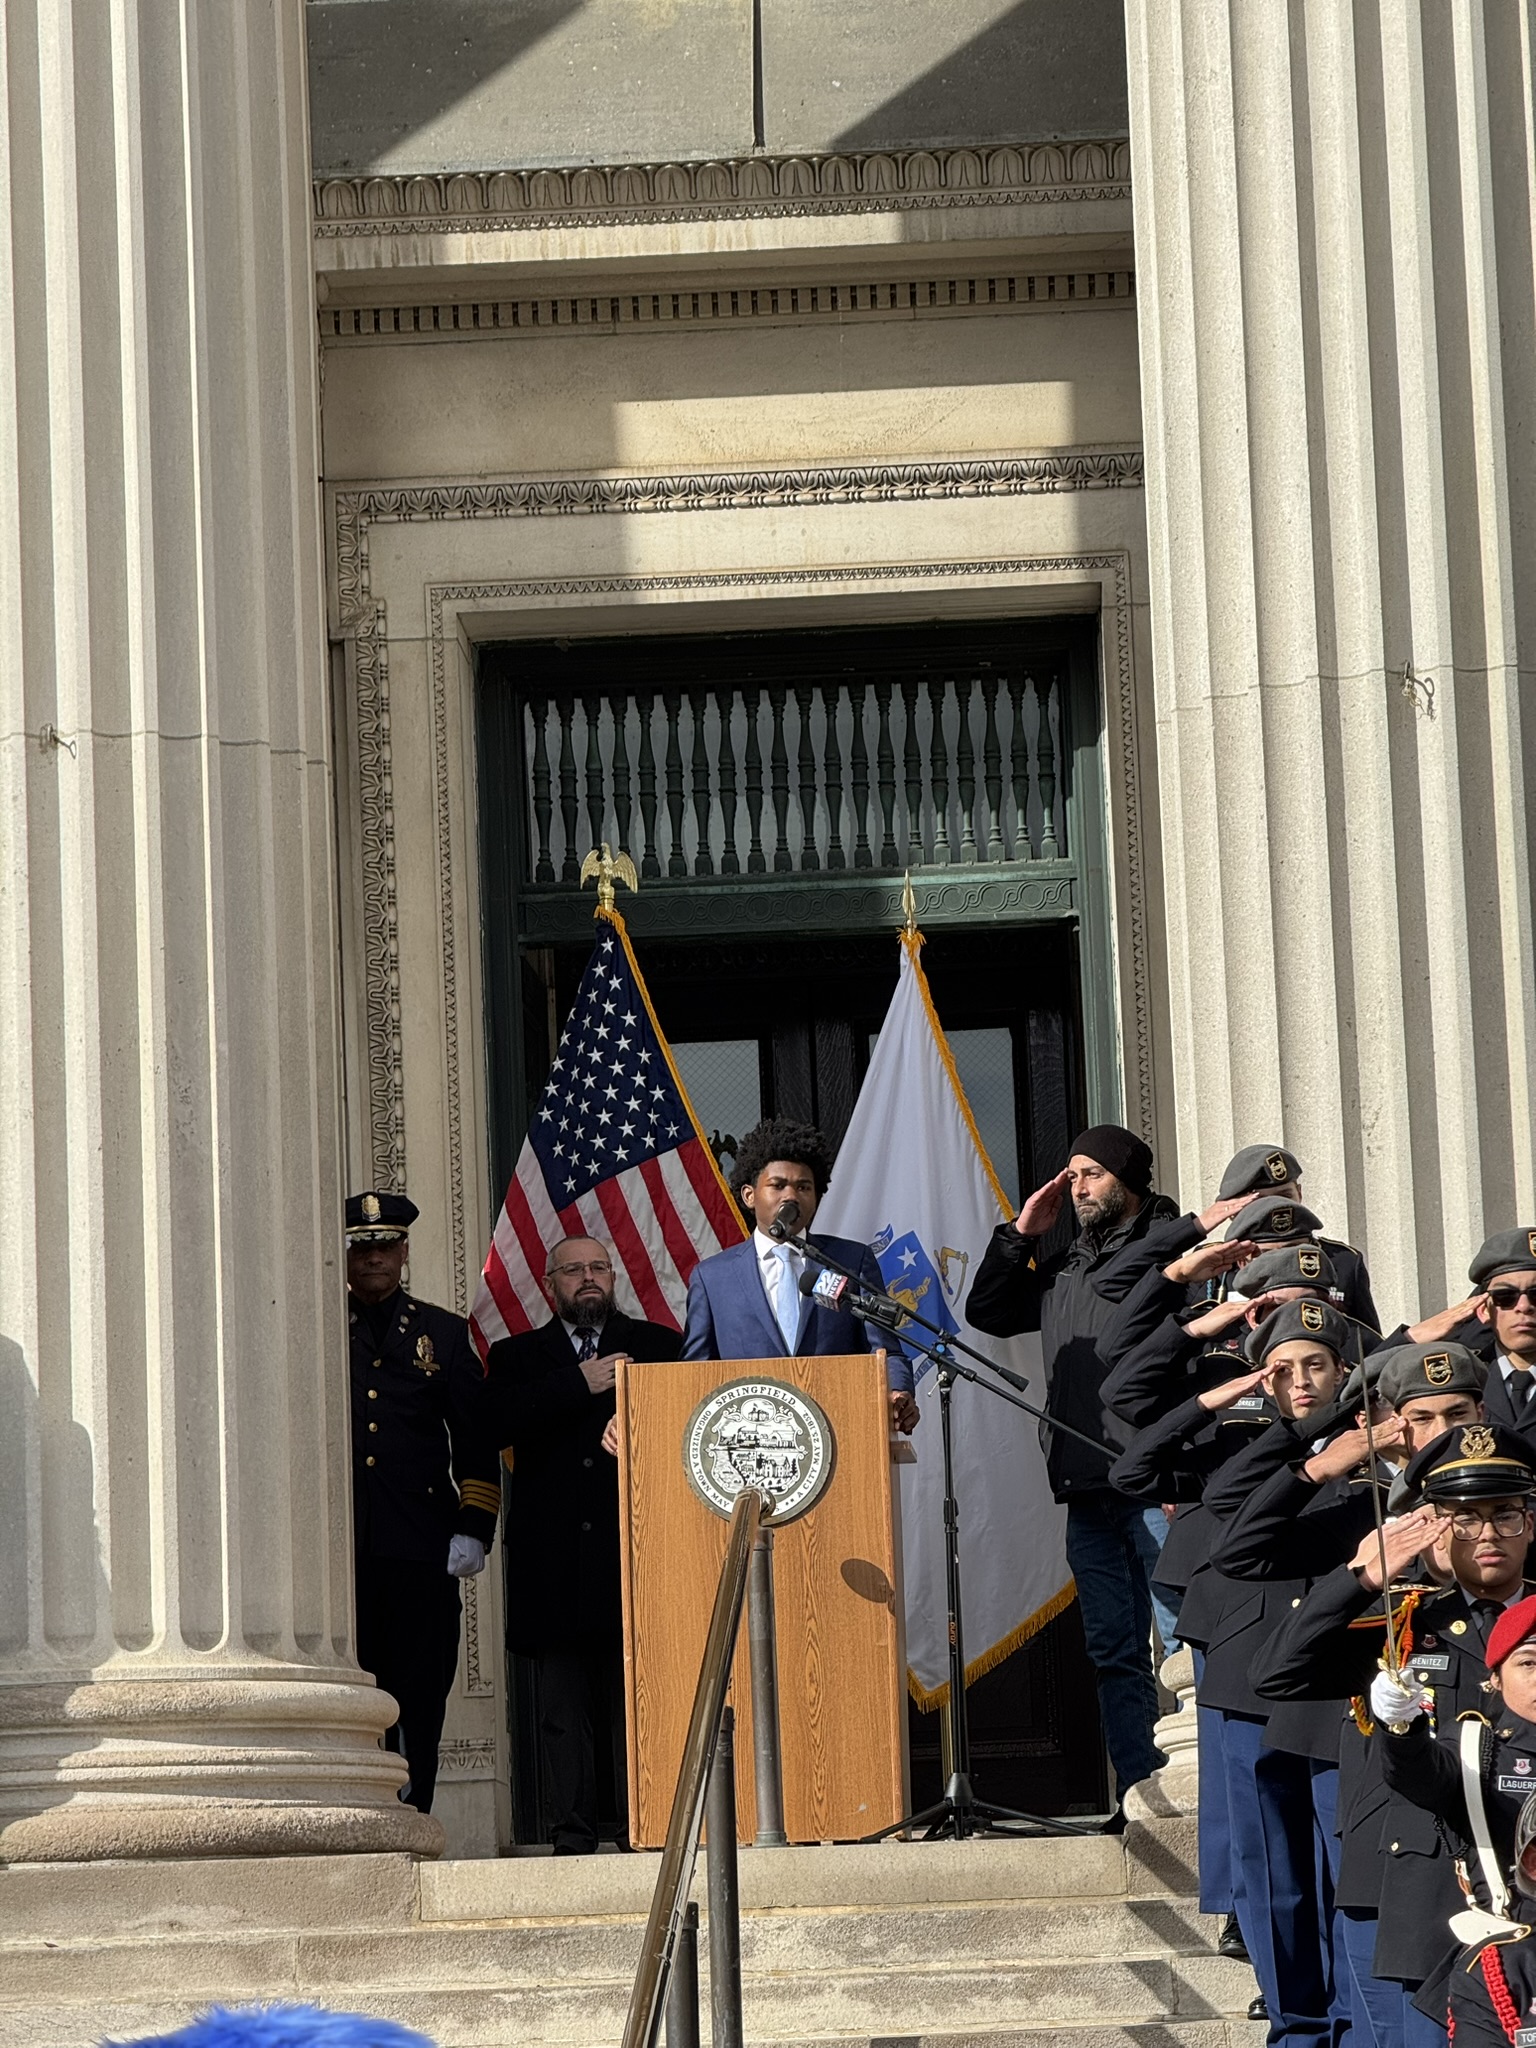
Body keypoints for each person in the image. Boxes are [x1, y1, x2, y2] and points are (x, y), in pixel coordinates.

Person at [1254, 1414, 1536, 2048]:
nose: (1487, 1533)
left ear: (1531, 1523)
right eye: (1464, 1517)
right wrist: (1362, 1578)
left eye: (1505, 1514)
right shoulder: (1405, 1626)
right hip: (1434, 1898)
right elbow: (1274, 1673)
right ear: (1436, 1526)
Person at [965, 1122, 1188, 1805]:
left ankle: (1206, 1799)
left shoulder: (1168, 1248)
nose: (1077, 1185)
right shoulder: (1063, 1265)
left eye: (1090, 1172)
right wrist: (1022, 1234)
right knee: (1115, 1655)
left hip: (1157, 1486)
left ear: (1128, 1178)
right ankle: (1144, 1800)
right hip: (1087, 1489)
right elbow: (990, 1312)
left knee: (1188, 1646)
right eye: (1071, 1174)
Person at [483, 1234, 681, 1855]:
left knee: (636, 1700)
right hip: (554, 1561)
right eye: (574, 1270)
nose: (589, 1278)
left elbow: (690, 1423)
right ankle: (573, 1831)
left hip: (639, 1551)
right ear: (550, 1284)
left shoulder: (658, 1346)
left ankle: (643, 1827)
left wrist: (639, 1408)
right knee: (563, 1708)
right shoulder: (518, 1356)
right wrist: (580, 1383)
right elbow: (491, 1424)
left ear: (615, 1276)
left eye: (600, 1266)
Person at [346, 1190, 502, 1814]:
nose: (374, 1260)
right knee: (356, 1690)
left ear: (404, 1252)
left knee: (419, 1691)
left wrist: (474, 1525)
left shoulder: (442, 1333)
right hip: (344, 1552)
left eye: (384, 1247)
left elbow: (474, 1440)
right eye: (362, 1249)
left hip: (419, 1548)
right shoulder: (317, 1326)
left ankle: (415, 1815)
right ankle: (359, 1810)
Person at [683, 1117, 918, 1434]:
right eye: (778, 1185)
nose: (791, 1196)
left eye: (803, 1187)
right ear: (749, 1196)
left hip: (840, 1432)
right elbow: (693, 1373)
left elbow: (886, 1352)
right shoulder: (712, 1278)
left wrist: (897, 1393)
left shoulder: (850, 1260)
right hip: (750, 1441)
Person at [1471, 1230, 1536, 1437]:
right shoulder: (1464, 1377)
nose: (1524, 1306)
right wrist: (1416, 1335)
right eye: (1505, 1296)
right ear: (1483, 1309)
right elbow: (1372, 1390)